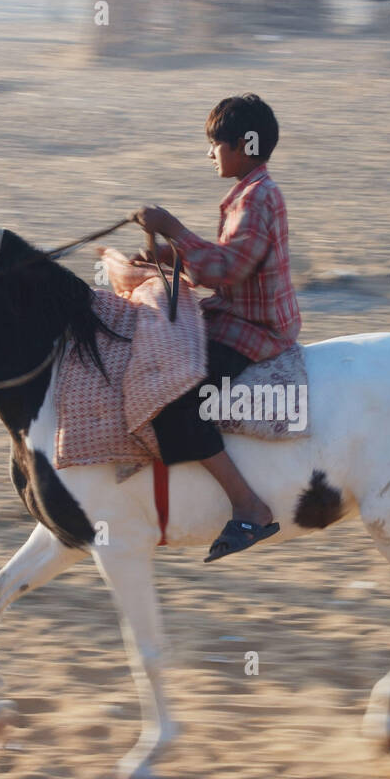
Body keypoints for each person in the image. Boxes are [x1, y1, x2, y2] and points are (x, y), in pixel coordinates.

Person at [131, 93, 300, 562]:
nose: (209, 154)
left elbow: (229, 268)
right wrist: (168, 257)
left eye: (214, 144)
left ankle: (249, 506)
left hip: (254, 330)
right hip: (234, 316)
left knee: (179, 401)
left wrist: (172, 229)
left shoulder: (259, 198)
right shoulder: (249, 192)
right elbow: (222, 263)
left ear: (244, 145)